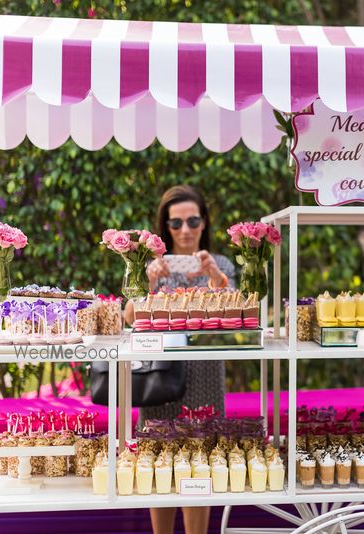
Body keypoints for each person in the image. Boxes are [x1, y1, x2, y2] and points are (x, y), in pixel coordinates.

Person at [125, 185, 235, 534]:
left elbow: (238, 313)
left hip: (204, 372)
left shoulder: (222, 265)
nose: (185, 229)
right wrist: (147, 282)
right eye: (176, 223)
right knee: (157, 460)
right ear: (165, 227)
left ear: (204, 223)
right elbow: (128, 316)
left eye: (193, 220)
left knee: (200, 459)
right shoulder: (149, 267)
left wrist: (216, 277)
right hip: (158, 374)